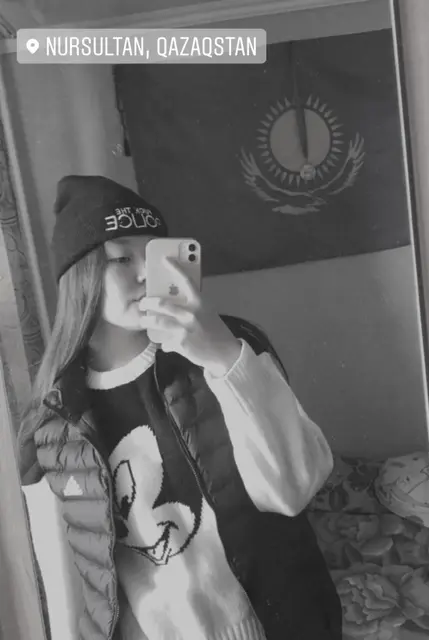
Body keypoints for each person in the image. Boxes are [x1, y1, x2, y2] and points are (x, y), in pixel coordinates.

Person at [18, 175, 342, 640]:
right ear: (81, 276)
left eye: (155, 255)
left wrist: (224, 358)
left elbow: (294, 490)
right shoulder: (54, 422)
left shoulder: (233, 345)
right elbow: (67, 582)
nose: (146, 273)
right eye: (122, 258)